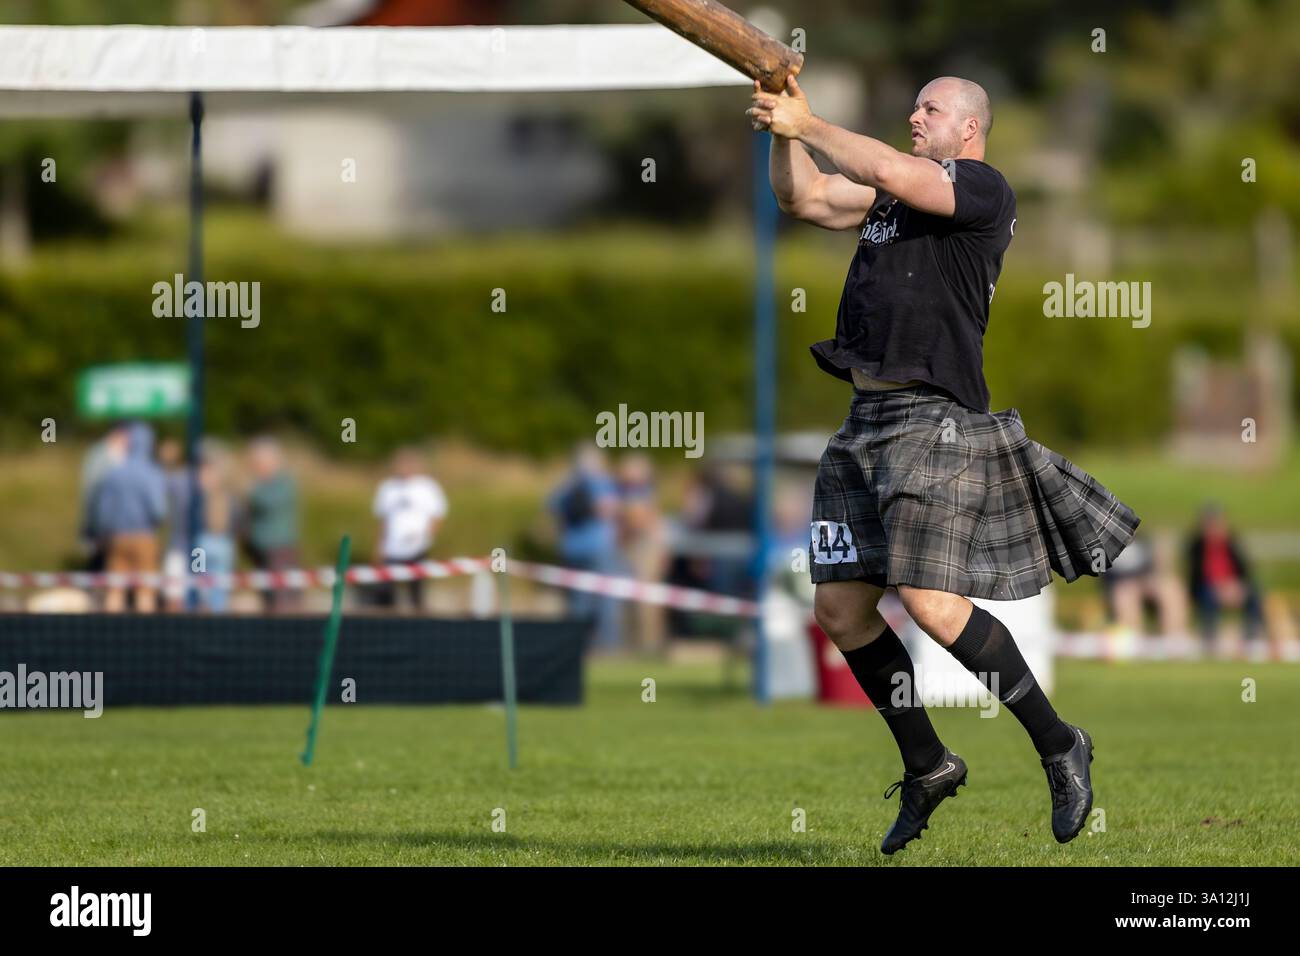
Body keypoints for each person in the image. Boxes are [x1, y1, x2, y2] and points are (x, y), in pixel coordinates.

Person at [750, 75, 1140, 852]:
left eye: (928, 110)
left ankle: (1059, 741)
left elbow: (892, 170)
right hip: (864, 420)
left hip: (937, 422)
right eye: (915, 108)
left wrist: (811, 117)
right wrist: (782, 129)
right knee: (840, 610)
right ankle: (928, 764)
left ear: (968, 129)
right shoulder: (891, 207)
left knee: (929, 601)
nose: (912, 117)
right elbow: (805, 200)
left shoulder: (983, 190)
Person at [548, 444, 623, 651]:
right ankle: (607, 647)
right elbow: (609, 509)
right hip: (598, 548)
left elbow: (551, 507)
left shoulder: (568, 484)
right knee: (605, 600)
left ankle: (578, 645)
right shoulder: (601, 483)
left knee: (578, 602)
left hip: (572, 548)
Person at [86, 421, 167, 613]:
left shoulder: (114, 473)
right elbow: (159, 510)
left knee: (115, 589)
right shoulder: (151, 473)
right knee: (145, 590)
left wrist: (104, 532)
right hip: (143, 536)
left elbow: (103, 511)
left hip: (116, 537)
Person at [371, 447, 448, 612]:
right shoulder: (387, 487)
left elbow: (437, 515)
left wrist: (426, 538)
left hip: (417, 547)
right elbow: (383, 520)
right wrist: (380, 546)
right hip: (393, 548)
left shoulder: (427, 487)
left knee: (417, 591)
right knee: (385, 591)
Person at [1187, 503, 1265, 653]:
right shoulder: (1197, 545)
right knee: (1208, 597)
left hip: (1232, 587)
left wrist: (1237, 586)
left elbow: (1244, 571)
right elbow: (1196, 576)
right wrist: (1219, 587)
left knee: (1254, 594)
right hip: (1207, 588)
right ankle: (1209, 640)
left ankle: (1251, 638)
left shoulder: (1232, 543)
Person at [615, 453, 667, 654]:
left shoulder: (645, 494)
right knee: (628, 599)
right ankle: (631, 643)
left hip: (645, 548)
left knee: (647, 602)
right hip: (630, 548)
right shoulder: (625, 494)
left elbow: (645, 522)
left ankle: (650, 644)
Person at [243, 436, 301, 612]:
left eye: (257, 462)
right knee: (267, 593)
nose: (254, 467)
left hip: (279, 548)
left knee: (282, 594)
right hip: (262, 549)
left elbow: (265, 502)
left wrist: (251, 490)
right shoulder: (263, 484)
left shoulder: (283, 483)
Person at [157, 437, 192, 612]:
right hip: (193, 547)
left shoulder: (176, 480)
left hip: (180, 547)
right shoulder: (190, 479)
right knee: (195, 589)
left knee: (175, 594)